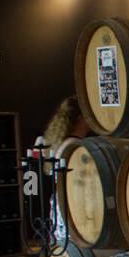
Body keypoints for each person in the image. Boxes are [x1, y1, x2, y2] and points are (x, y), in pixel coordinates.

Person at [38, 97, 90, 244]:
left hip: (60, 207)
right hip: (73, 208)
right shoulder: (73, 147)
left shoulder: (62, 143)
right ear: (80, 118)